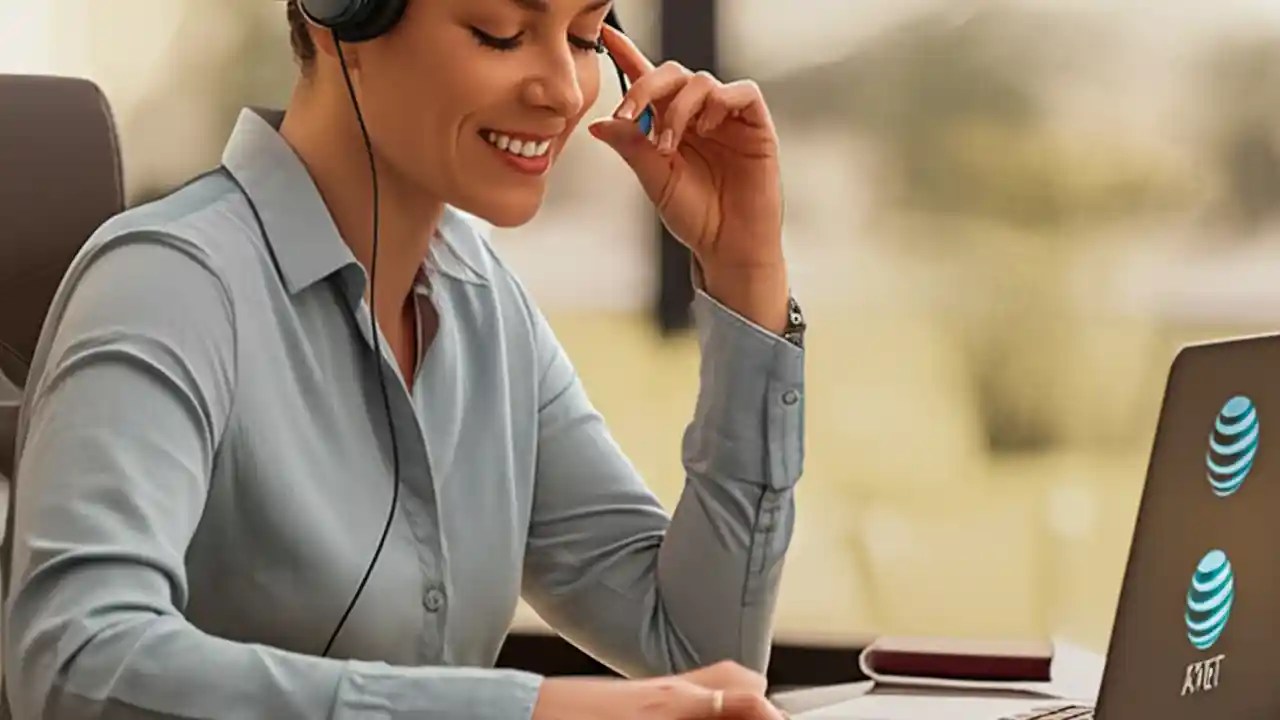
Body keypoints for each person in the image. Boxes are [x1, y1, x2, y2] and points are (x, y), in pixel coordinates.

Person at [1, 0, 806, 717]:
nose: (565, 91)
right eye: (501, 33)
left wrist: (744, 269)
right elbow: (75, 662)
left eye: (585, 36)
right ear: (346, 15)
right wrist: (527, 712)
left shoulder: (488, 308)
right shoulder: (169, 284)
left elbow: (699, 653)